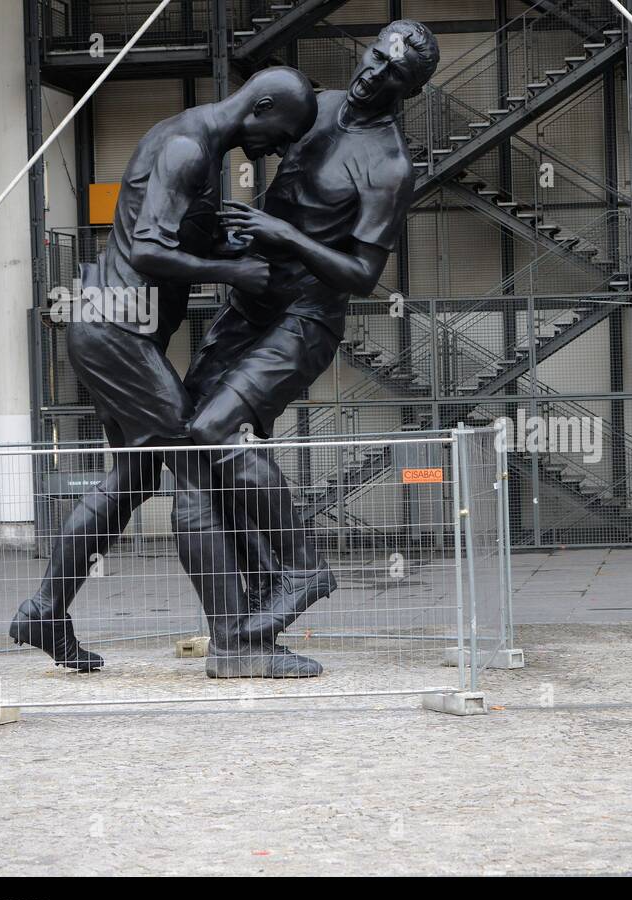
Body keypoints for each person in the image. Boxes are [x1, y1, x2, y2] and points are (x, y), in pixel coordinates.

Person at [9, 67, 319, 674]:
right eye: (282, 134)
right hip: (117, 334)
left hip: (110, 331)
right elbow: (148, 249)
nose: (278, 150)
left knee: (133, 478)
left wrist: (227, 245)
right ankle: (235, 645)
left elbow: (163, 243)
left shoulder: (198, 148)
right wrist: (232, 272)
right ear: (260, 107)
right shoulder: (187, 148)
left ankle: (45, 609)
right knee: (200, 466)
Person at [172, 19, 440, 668]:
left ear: (410, 90)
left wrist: (284, 235)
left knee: (209, 433)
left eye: (394, 72)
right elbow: (249, 133)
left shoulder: (389, 165)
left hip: (304, 320)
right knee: (189, 452)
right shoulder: (315, 105)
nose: (375, 72)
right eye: (376, 56)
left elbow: (363, 276)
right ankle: (239, 633)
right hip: (251, 300)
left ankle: (300, 567)